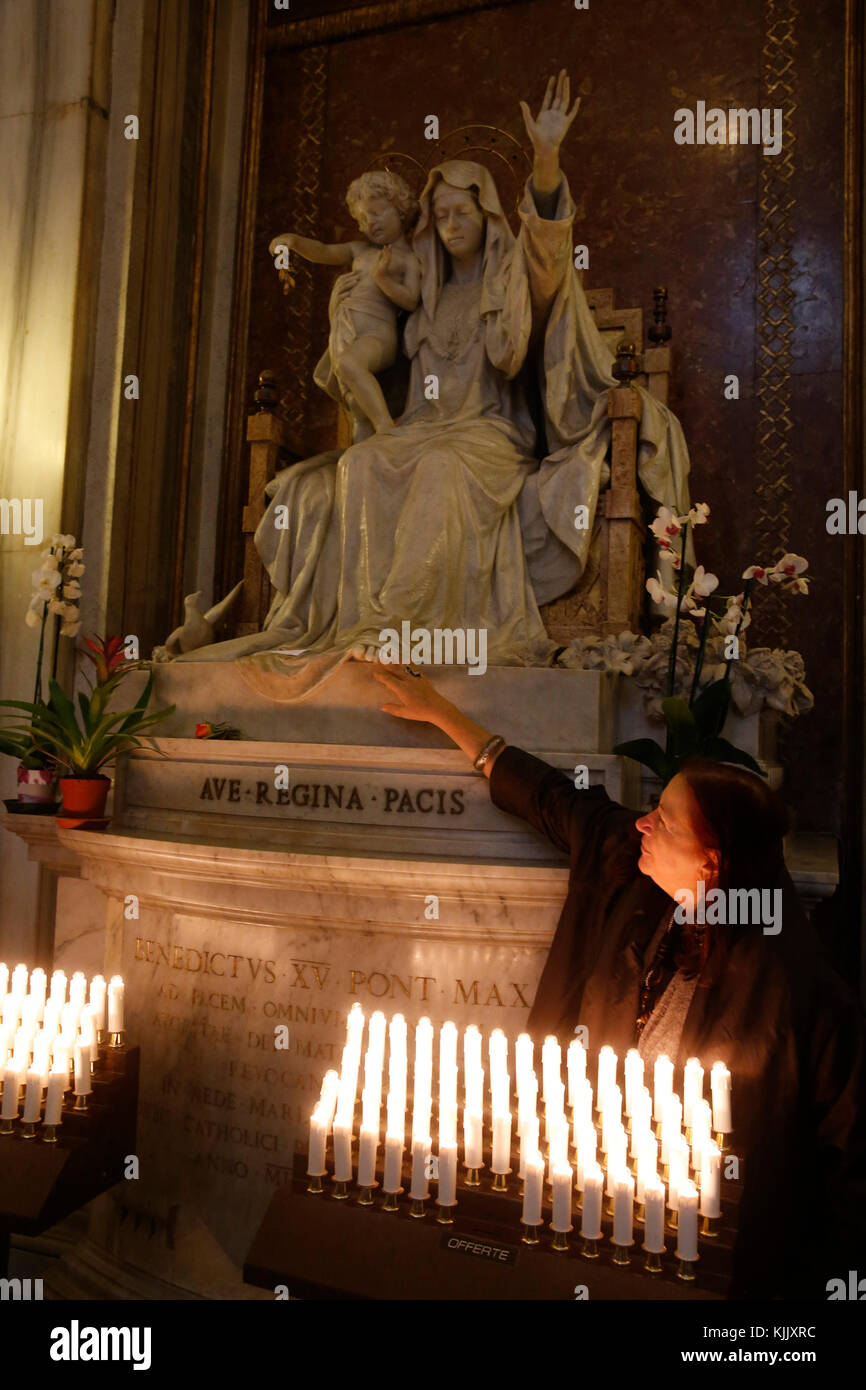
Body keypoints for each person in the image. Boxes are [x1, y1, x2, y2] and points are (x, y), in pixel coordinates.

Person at [177, 72, 691, 703]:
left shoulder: (510, 285)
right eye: (440, 213)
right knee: (362, 464)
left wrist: (548, 158)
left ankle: (410, 633)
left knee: (443, 469)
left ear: (487, 214)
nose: (450, 223)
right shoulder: (420, 294)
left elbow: (549, 256)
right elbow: (356, 303)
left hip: (487, 435)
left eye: (462, 212)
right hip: (420, 429)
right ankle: (359, 629)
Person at [370, 660, 866, 1300]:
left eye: (662, 820)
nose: (642, 825)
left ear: (710, 864)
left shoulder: (801, 994)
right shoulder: (634, 871)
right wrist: (444, 713)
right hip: (582, 1220)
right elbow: (553, 798)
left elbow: (848, 1174)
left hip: (704, 1274)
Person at [269, 170, 421, 436]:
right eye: (362, 218)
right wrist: (293, 242)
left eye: (375, 213)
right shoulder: (358, 250)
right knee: (356, 408)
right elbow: (323, 251)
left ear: (400, 209)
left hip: (378, 334)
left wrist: (383, 280)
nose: (369, 223)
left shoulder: (408, 259)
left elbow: (411, 301)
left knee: (351, 364)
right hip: (344, 333)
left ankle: (387, 427)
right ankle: (363, 453)